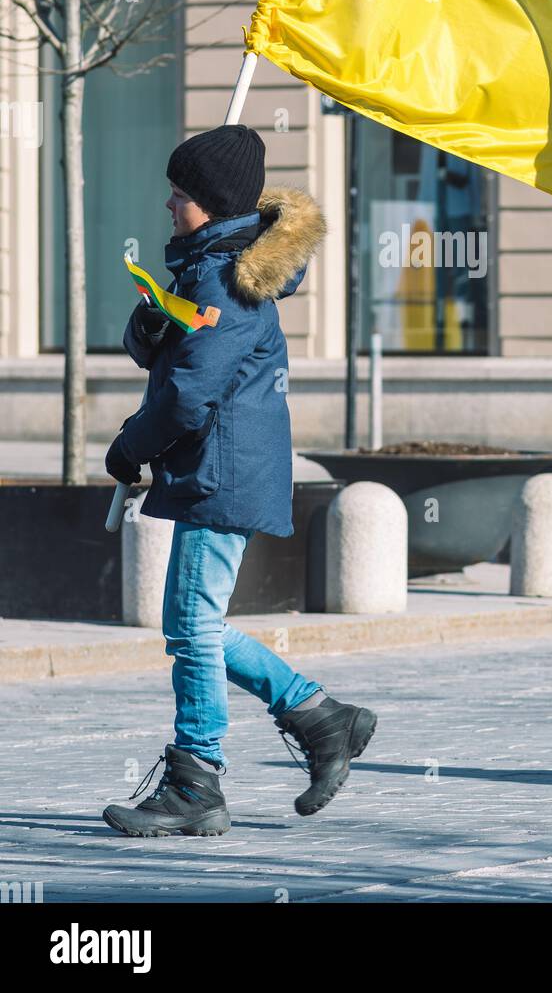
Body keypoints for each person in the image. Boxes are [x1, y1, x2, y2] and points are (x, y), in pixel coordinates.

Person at [102, 124, 377, 837]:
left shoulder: (224, 275)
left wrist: (131, 446)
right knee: (198, 624)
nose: (169, 203)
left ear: (212, 204)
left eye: (181, 194)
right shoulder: (211, 267)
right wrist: (149, 325)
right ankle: (322, 719)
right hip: (222, 468)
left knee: (191, 627)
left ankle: (198, 780)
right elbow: (174, 350)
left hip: (222, 472)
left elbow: (191, 390)